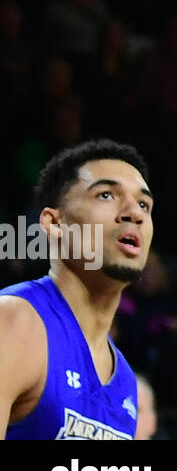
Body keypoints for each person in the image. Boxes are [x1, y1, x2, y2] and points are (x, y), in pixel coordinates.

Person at [0, 138, 153, 439]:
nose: (134, 213)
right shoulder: (14, 322)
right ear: (54, 223)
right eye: (107, 195)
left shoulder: (125, 381)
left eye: (144, 204)